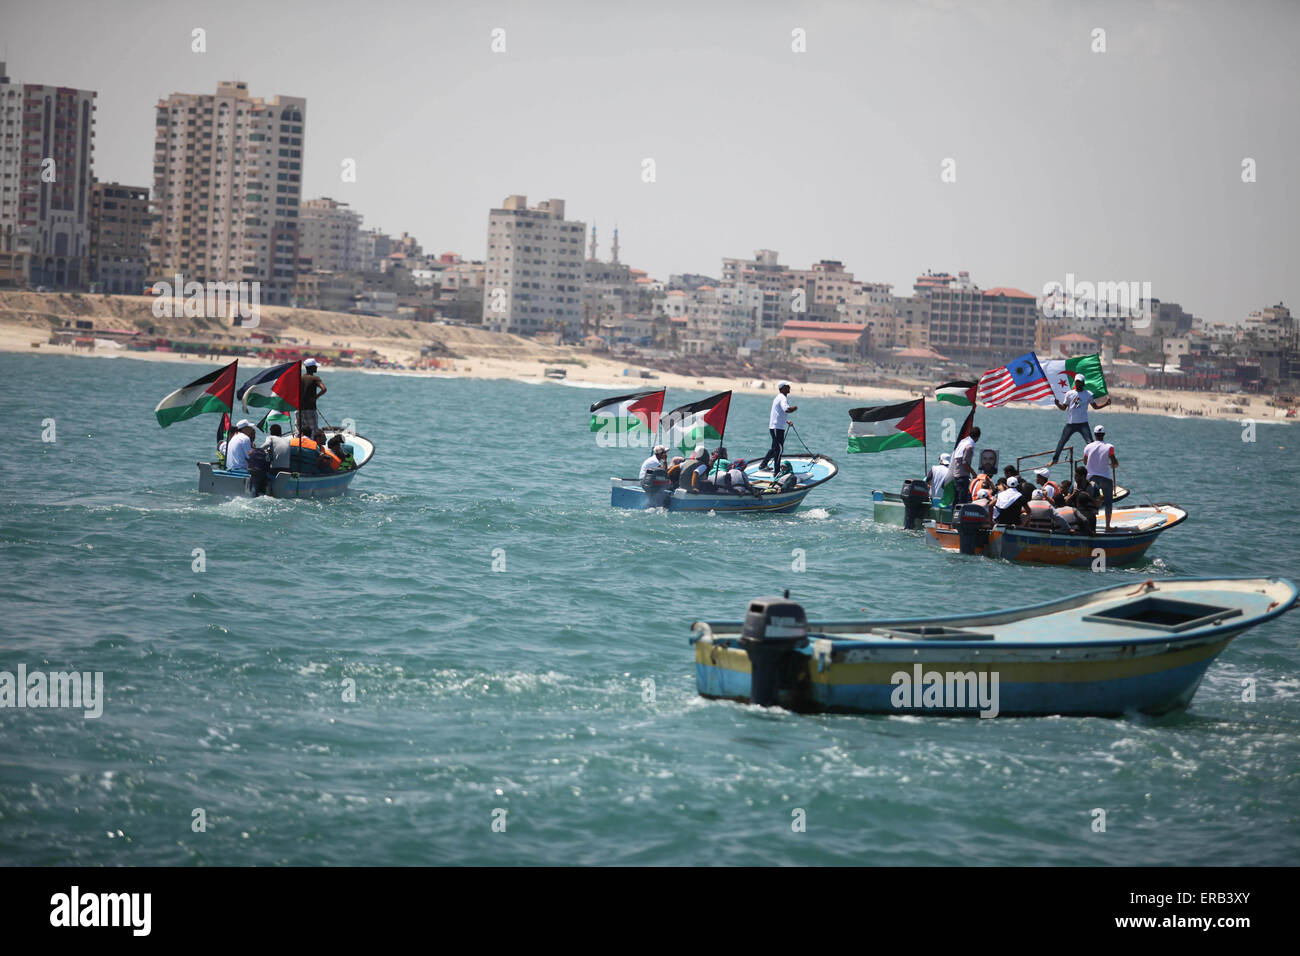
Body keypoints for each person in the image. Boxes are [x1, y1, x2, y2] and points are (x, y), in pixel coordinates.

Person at [1052, 373, 1110, 465]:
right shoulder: (1069, 394)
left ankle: (1095, 460)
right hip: (1071, 423)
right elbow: (1063, 408)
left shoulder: (1088, 394)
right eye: (1076, 382)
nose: (1078, 383)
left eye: (1079, 382)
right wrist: (1057, 404)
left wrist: (1106, 404)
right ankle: (1055, 460)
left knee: (1090, 443)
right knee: (1062, 441)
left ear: (1083, 383)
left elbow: (1095, 407)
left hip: (1083, 423)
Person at [1083, 425, 1119, 531]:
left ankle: (1087, 525)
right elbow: (1114, 463)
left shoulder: (1088, 447)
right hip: (1105, 478)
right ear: (1104, 434)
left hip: (1091, 478)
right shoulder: (1109, 447)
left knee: (1088, 501)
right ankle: (1107, 527)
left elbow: (1085, 461)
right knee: (1108, 502)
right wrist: (1114, 465)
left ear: (1094, 434)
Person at [759, 381, 797, 472]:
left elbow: (778, 413)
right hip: (777, 428)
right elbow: (786, 409)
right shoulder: (782, 398)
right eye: (787, 386)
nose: (789, 387)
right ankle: (776, 472)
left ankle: (763, 465)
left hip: (775, 426)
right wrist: (794, 408)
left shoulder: (779, 397)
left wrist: (786, 421)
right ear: (782, 388)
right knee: (779, 450)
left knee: (774, 448)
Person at [1064, 465, 1099, 535]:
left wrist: (1088, 496)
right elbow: (1066, 502)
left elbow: (1098, 503)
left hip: (1089, 513)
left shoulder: (1093, 486)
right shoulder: (1074, 486)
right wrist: (1073, 494)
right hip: (1076, 514)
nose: (1074, 478)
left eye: (1076, 476)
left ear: (1083, 476)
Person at [951, 426, 980, 505]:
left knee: (956, 501)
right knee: (962, 502)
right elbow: (965, 463)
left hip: (955, 476)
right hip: (962, 477)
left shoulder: (962, 442)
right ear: (977, 437)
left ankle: (953, 516)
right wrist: (973, 473)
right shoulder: (969, 446)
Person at [298, 358, 326, 435]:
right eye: (315, 366)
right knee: (313, 431)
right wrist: (315, 397)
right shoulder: (315, 378)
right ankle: (312, 446)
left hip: (299, 409)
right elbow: (324, 389)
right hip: (310, 409)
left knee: (300, 432)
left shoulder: (300, 378)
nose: (316, 368)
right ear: (311, 368)